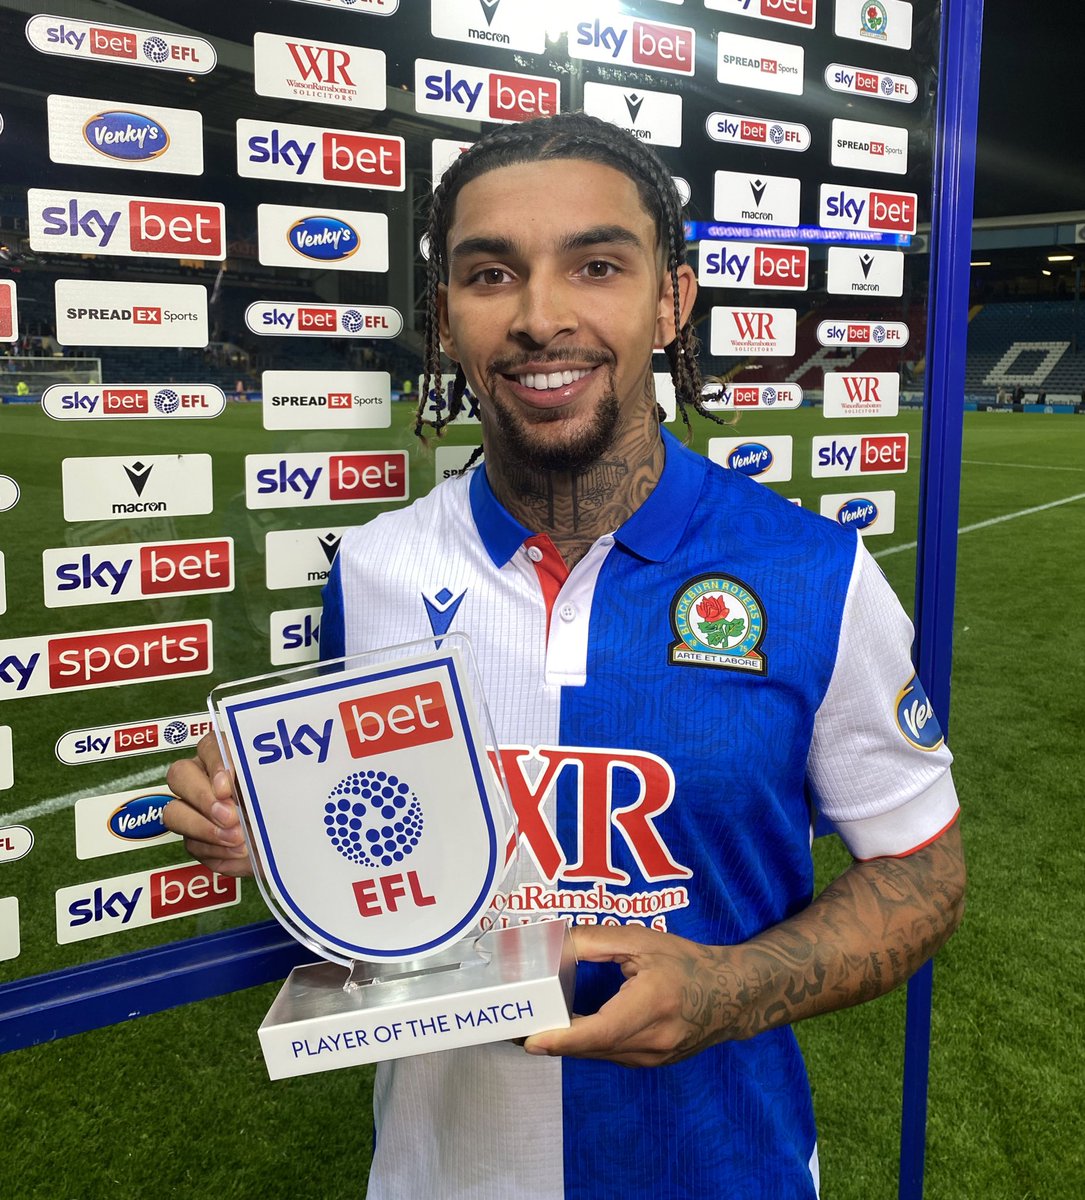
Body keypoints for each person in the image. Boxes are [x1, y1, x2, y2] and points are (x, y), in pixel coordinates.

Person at [165, 113, 965, 1200]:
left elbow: (922, 872)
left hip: (723, 1173)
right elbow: (375, 867)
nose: (540, 317)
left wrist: (728, 989)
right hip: (441, 1177)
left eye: (596, 265)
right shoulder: (375, 571)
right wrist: (261, 829)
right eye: (490, 274)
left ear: (670, 301)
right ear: (444, 316)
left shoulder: (814, 574)